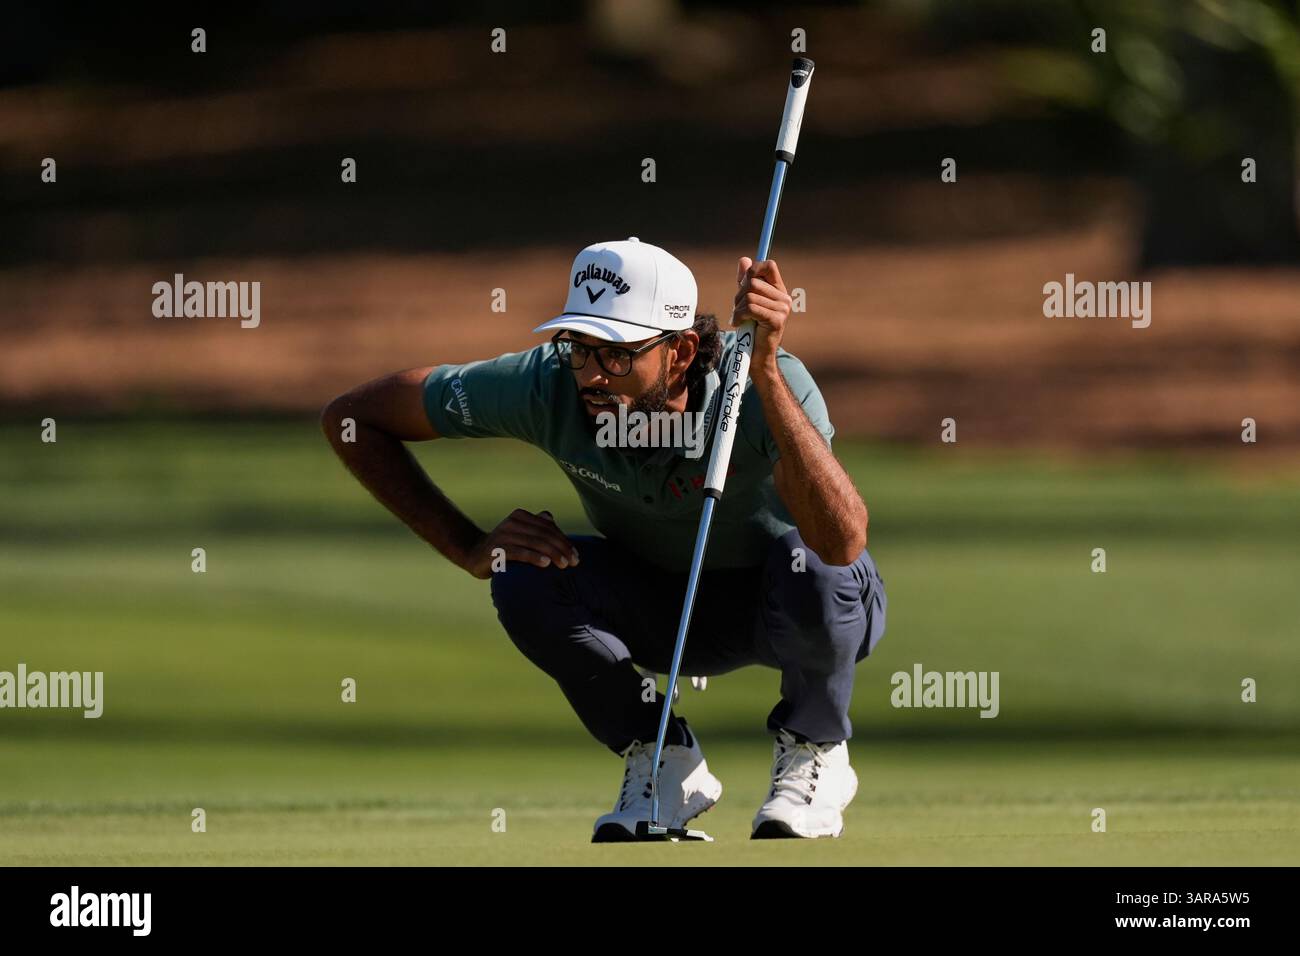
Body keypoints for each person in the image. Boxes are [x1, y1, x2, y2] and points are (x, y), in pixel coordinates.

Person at [321, 237, 887, 840]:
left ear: (681, 351)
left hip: (788, 606)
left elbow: (843, 541)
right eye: (579, 347)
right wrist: (465, 545)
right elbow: (354, 420)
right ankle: (663, 760)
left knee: (812, 559)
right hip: (658, 608)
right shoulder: (548, 386)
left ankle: (814, 749)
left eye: (617, 354)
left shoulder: (762, 384)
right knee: (525, 573)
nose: (592, 374)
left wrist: (768, 376)